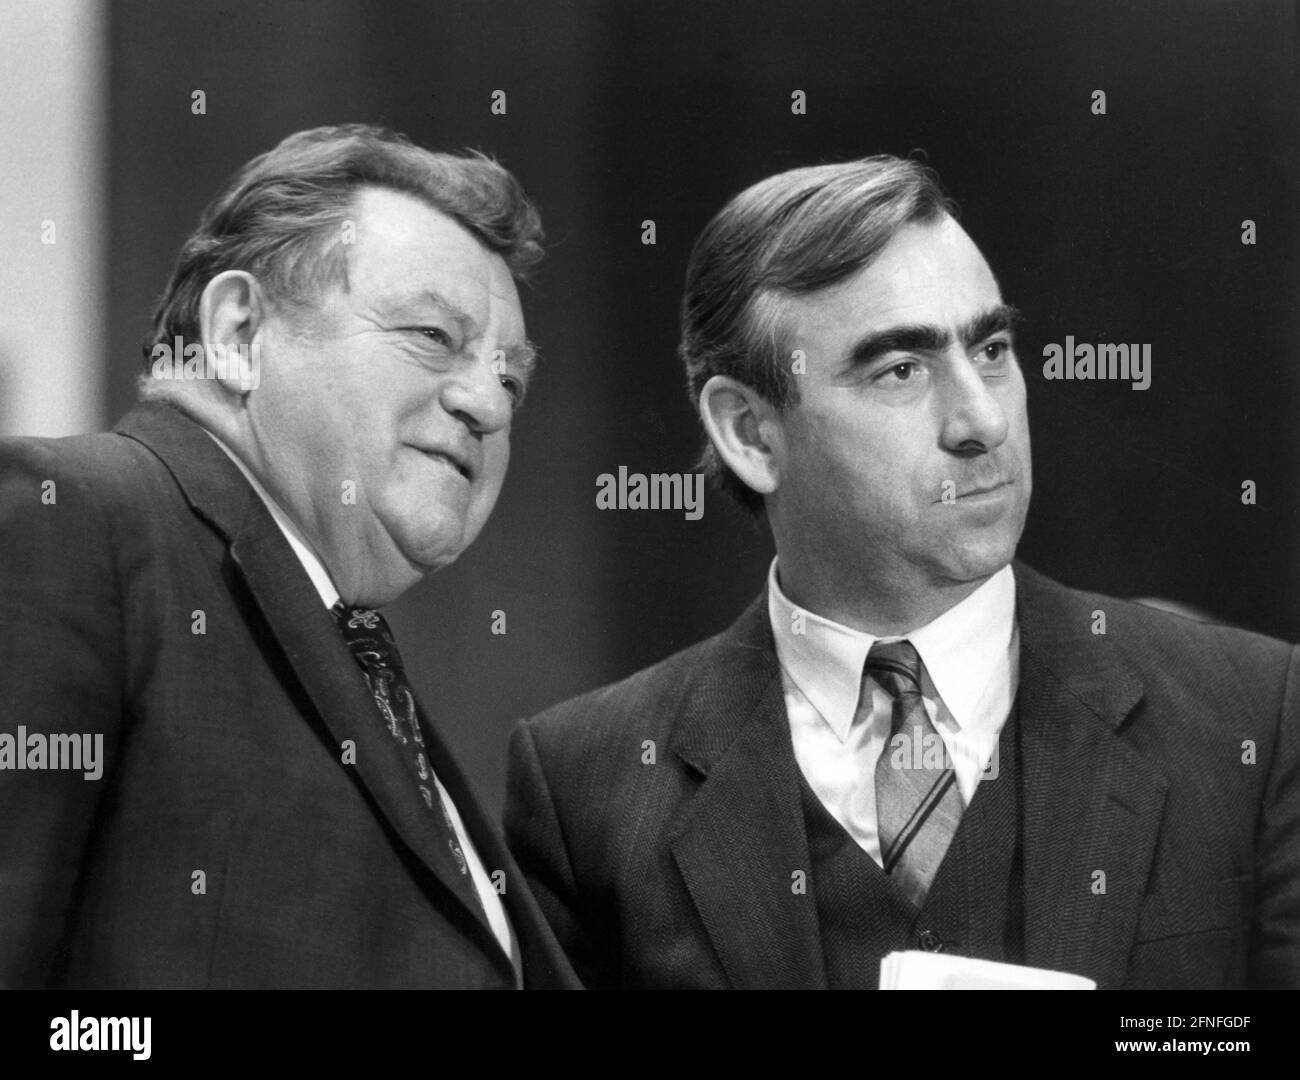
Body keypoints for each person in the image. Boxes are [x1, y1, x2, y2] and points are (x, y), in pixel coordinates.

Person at [504, 156, 1300, 990]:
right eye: (901, 370)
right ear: (751, 434)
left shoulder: (1253, 716)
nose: (983, 420)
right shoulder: (587, 787)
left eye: (991, 349)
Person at [0, 124, 578, 989]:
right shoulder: (78, 519)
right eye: (431, 335)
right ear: (236, 331)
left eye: (511, 379)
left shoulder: (350, 651)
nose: (485, 404)